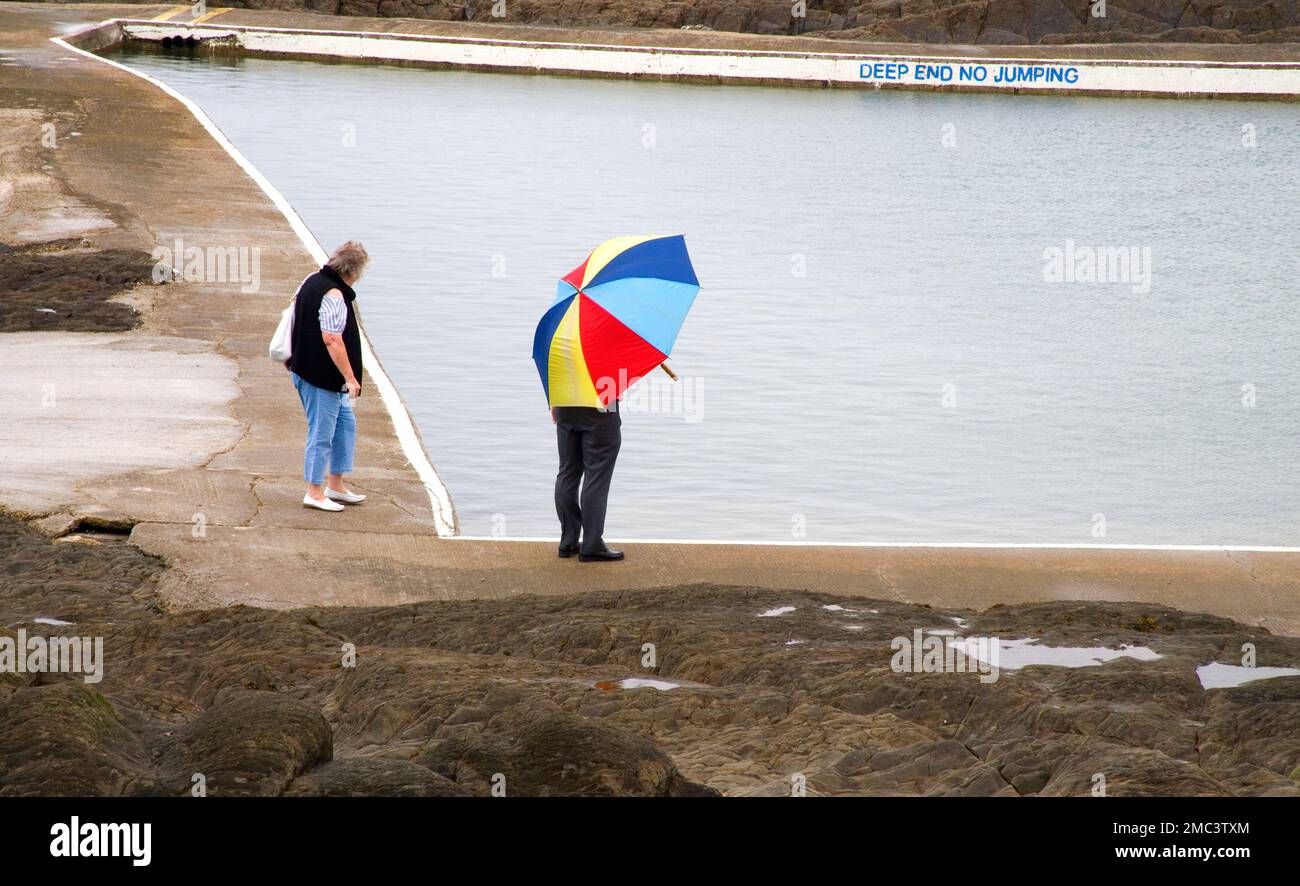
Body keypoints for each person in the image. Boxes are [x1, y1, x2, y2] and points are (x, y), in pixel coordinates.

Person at [286, 241, 370, 512]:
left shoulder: (314, 279)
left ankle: (336, 484)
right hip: (320, 377)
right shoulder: (333, 294)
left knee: (345, 426)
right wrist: (350, 377)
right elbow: (332, 339)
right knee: (322, 433)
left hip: (314, 372)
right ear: (353, 272)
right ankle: (314, 491)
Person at [553, 401, 624, 561]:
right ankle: (592, 545)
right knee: (597, 477)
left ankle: (568, 541)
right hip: (602, 405)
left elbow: (553, 377)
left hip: (565, 404)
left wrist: (555, 403)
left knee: (567, 472)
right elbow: (616, 378)